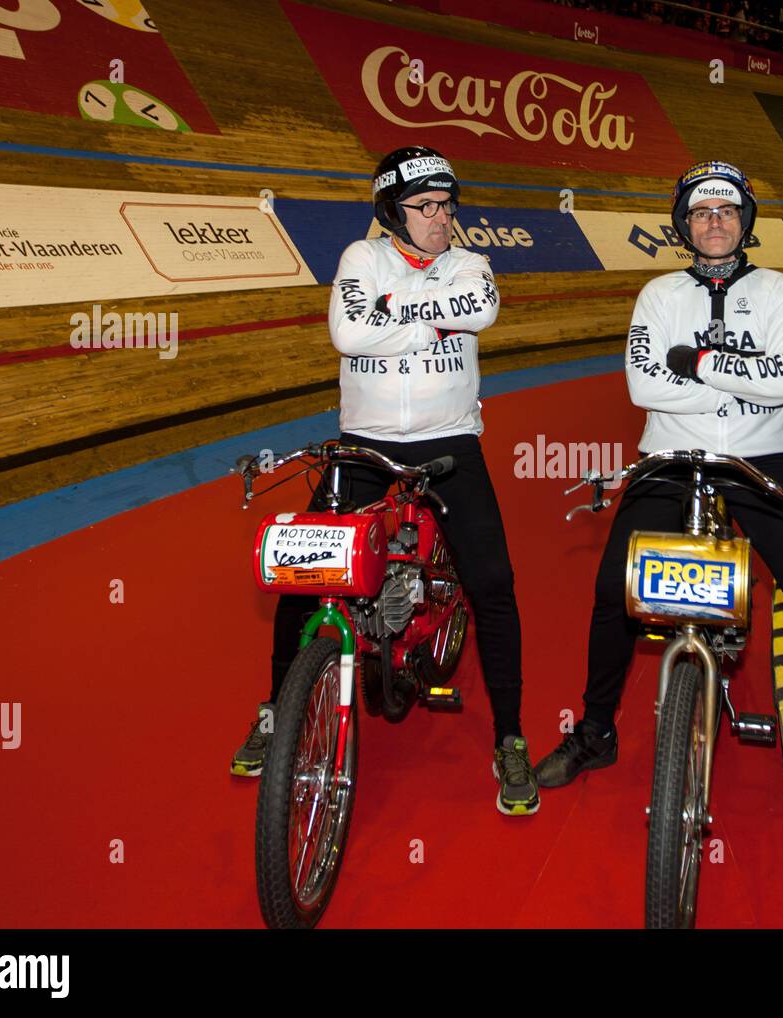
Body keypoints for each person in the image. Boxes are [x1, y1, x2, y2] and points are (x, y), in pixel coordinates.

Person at [532, 161, 783, 822]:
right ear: (684, 225)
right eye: (700, 213)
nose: (713, 222)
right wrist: (741, 374)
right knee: (612, 590)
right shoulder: (659, 295)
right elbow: (644, 386)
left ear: (744, 221)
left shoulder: (779, 290)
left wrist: (693, 361)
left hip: (761, 459)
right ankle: (596, 731)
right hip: (670, 457)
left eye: (725, 211)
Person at [232, 145, 539, 817]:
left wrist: (393, 313)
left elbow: (479, 309)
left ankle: (510, 735)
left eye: (447, 204)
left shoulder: (471, 264)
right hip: (365, 447)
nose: (441, 216)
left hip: (452, 444)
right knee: (302, 579)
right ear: (391, 212)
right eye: (425, 205)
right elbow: (348, 331)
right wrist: (431, 316)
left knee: (493, 587)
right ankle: (277, 709)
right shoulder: (360, 259)